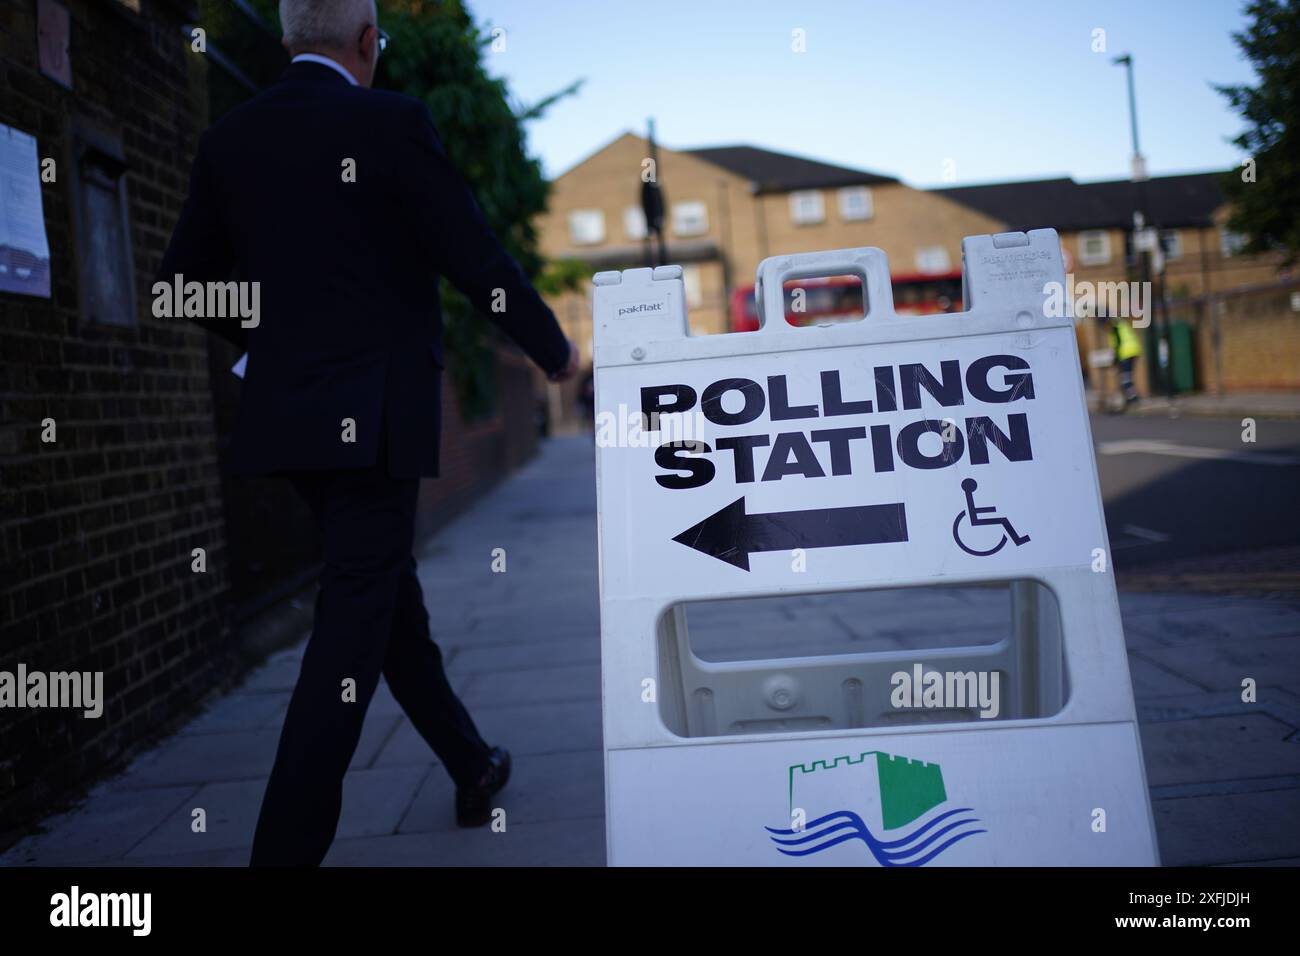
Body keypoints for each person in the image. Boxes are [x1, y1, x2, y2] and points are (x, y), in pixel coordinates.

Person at [156, 0, 578, 867]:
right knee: (351, 626)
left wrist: (274, 342)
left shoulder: (230, 138)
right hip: (376, 420)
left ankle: (471, 762)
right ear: (365, 40)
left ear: (286, 39)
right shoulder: (389, 122)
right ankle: (282, 852)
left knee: (383, 598)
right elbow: (475, 257)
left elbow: (184, 282)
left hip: (293, 419)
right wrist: (555, 349)